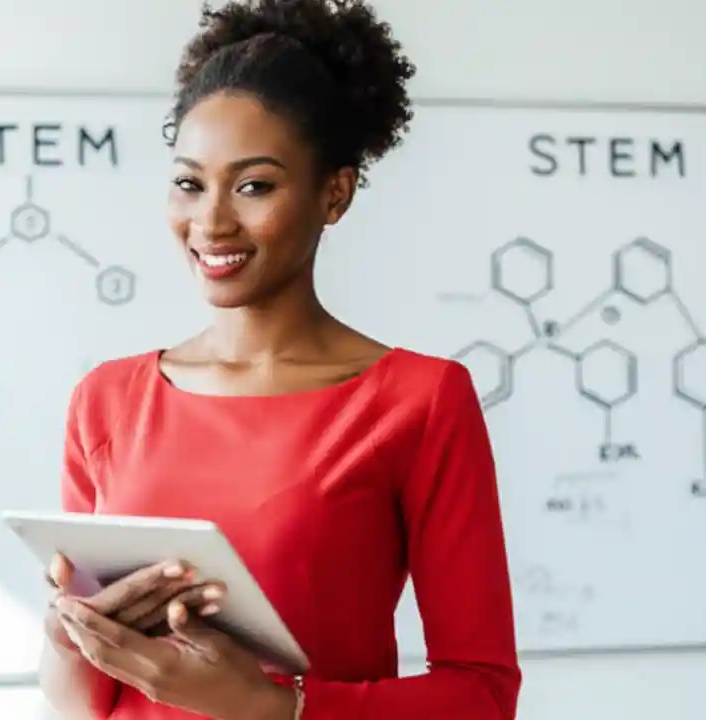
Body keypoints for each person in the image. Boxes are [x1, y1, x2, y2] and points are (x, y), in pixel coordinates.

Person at [38, 1, 522, 717]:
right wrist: (65, 639)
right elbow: (85, 707)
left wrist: (277, 708)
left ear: (335, 192)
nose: (211, 221)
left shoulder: (419, 400)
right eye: (189, 183)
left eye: (254, 185)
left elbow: (482, 694)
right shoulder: (107, 399)